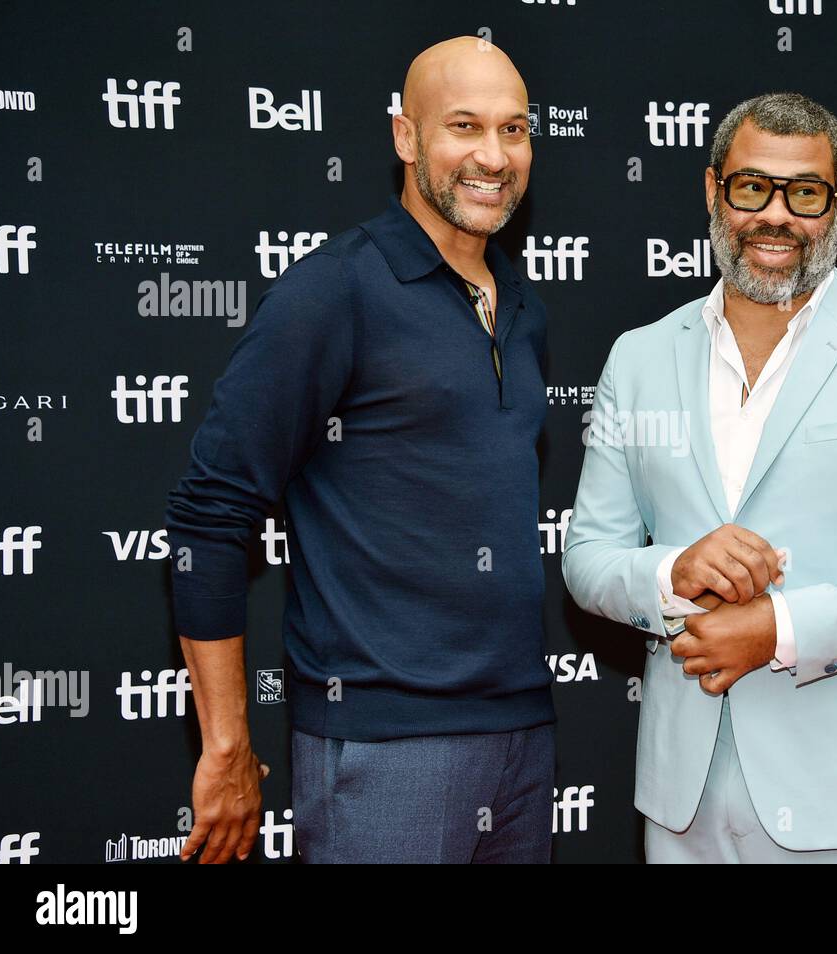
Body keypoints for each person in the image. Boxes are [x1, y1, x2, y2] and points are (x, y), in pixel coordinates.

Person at [562, 92, 837, 863]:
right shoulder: (637, 357)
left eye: (804, 192)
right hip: (683, 811)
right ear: (713, 191)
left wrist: (785, 628)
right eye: (751, 188)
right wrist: (673, 570)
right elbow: (588, 560)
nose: (776, 216)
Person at [164, 36, 555, 864]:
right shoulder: (334, 289)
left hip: (523, 734)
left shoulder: (520, 301)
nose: (493, 155)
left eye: (514, 130)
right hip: (386, 749)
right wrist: (227, 746)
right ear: (405, 138)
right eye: (463, 127)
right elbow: (211, 515)